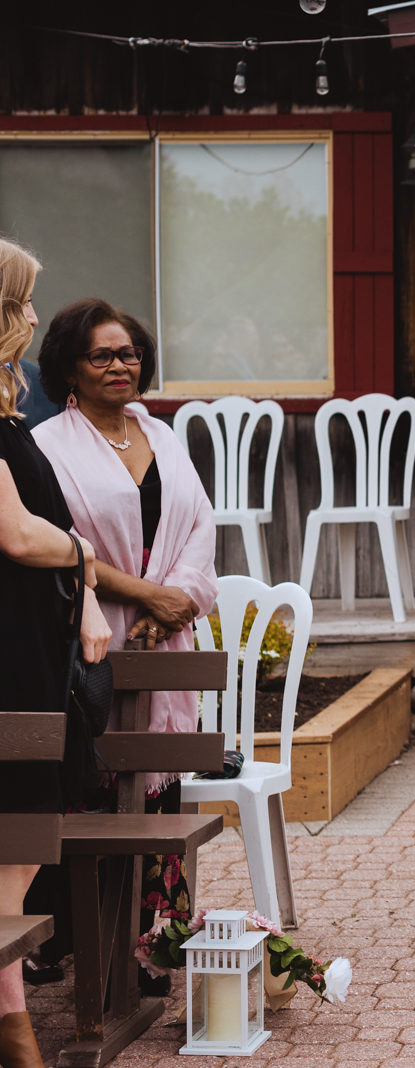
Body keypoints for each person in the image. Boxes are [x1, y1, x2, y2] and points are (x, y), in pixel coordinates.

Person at [31, 298, 218, 994]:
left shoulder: (160, 435)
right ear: (70, 370)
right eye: (101, 355)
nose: (120, 366)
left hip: (163, 636)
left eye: (129, 353)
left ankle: (156, 950)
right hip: (90, 631)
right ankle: (82, 943)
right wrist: (140, 595)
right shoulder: (50, 446)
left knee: (158, 790)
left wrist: (172, 600)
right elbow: (59, 545)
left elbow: (200, 524)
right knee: (95, 784)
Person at [0, 239, 112, 1068]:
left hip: (30, 641)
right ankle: (11, 1020)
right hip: (9, 653)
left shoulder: (9, 410)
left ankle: (9, 1015)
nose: (35, 317)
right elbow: (17, 535)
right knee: (19, 831)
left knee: (22, 834)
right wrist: (78, 552)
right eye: (23, 301)